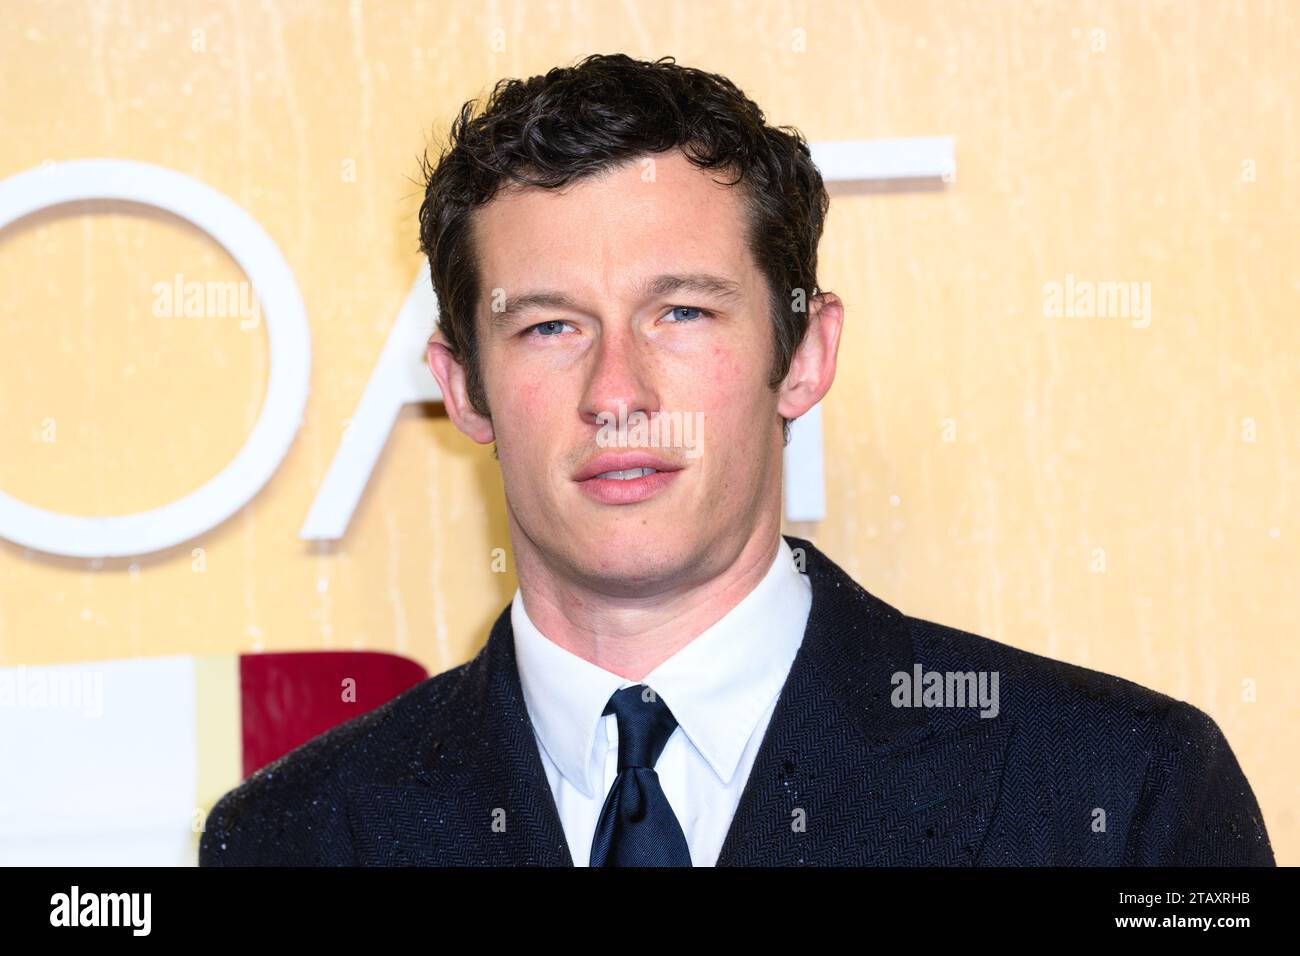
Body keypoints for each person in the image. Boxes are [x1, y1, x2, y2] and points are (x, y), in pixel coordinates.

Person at [200, 53, 1273, 867]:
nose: (617, 392)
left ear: (802, 354)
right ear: (462, 385)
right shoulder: (292, 838)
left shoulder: (1119, 789)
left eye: (680, 310)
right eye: (548, 326)